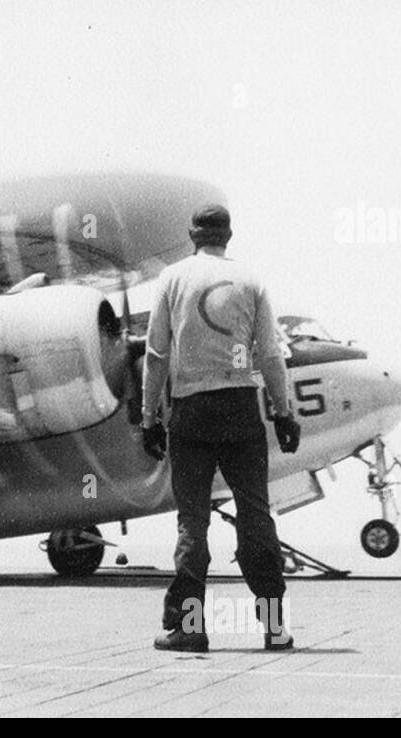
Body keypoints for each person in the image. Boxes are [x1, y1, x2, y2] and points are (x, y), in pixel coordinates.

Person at [141, 204, 302, 652]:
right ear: (229, 235)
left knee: (193, 522)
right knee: (255, 517)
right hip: (240, 408)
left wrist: (148, 417)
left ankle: (189, 628)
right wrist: (283, 412)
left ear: (192, 235)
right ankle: (274, 627)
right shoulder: (252, 281)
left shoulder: (172, 279)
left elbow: (156, 355)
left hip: (190, 410)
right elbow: (271, 355)